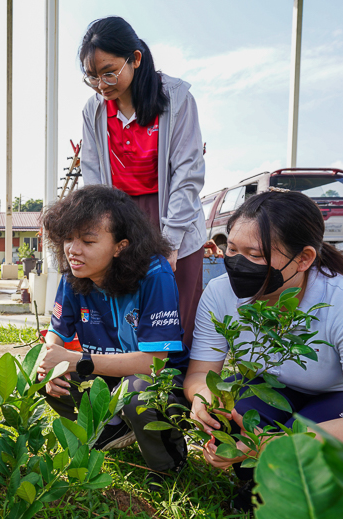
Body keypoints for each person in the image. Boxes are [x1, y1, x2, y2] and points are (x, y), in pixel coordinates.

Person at [185, 190, 343, 483]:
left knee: (313, 450)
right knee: (232, 419)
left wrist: (266, 446)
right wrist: (205, 400)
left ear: (304, 259)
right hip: (277, 386)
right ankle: (258, 485)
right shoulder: (220, 293)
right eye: (232, 250)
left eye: (255, 255)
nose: (237, 264)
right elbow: (200, 373)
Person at [36, 185, 190, 478]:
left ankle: (168, 464)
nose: (73, 250)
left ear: (121, 245)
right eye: (68, 238)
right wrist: (49, 363)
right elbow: (57, 333)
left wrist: (77, 360)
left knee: (139, 393)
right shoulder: (74, 275)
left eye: (88, 241)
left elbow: (152, 363)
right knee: (42, 372)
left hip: (162, 381)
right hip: (103, 374)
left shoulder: (155, 274)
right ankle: (111, 431)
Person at [78, 16, 206, 349]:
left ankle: (177, 392)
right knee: (127, 308)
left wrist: (171, 241)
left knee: (175, 313)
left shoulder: (176, 99)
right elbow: (93, 178)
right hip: (122, 218)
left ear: (135, 59)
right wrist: (101, 230)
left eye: (109, 72)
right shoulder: (94, 111)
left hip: (170, 212)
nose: (101, 84)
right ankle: (131, 391)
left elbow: (187, 173)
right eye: (91, 76)